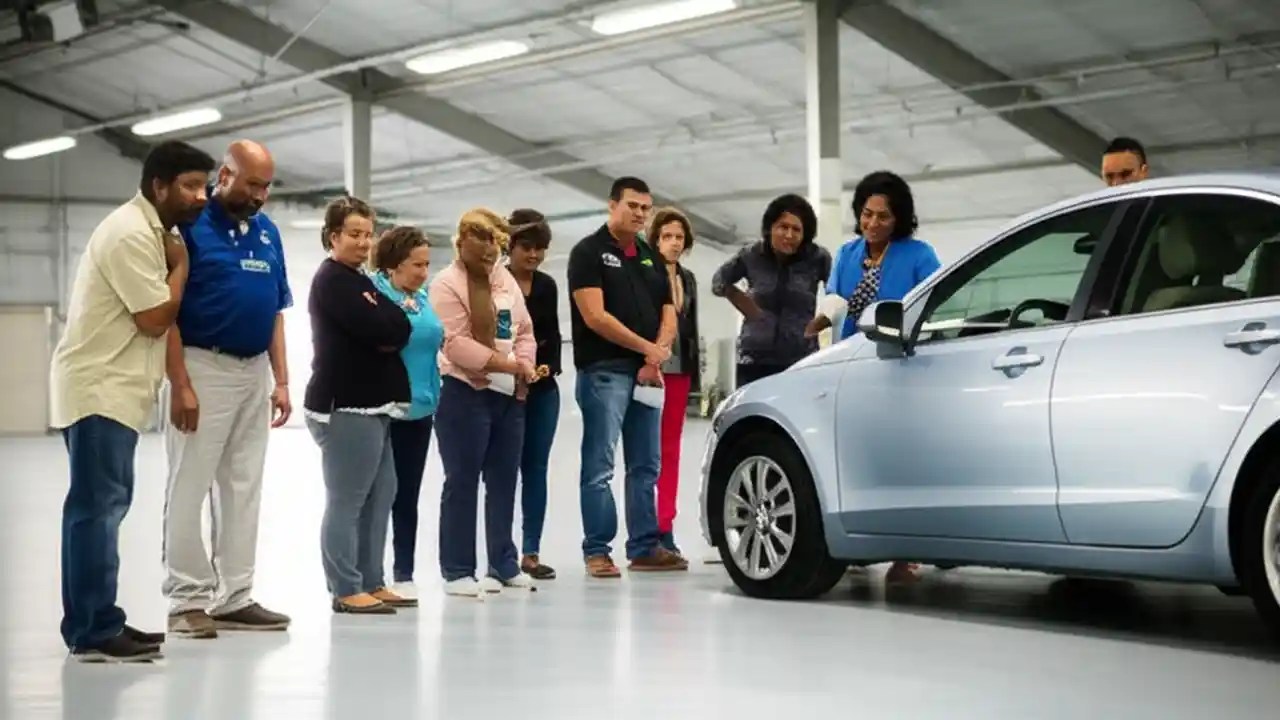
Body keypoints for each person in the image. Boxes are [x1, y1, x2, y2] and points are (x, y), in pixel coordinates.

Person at [51, 140, 215, 662]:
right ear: (157, 186)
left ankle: (98, 621)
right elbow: (154, 318)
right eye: (190, 186)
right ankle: (93, 630)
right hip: (100, 387)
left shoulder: (153, 232)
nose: (201, 197)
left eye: (204, 187)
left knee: (103, 506)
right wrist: (182, 266)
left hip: (114, 388)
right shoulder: (129, 235)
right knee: (97, 508)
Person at [162, 140, 292, 639]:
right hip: (202, 364)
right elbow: (168, 311)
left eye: (266, 186)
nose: (260, 195)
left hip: (252, 369)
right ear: (225, 175)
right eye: (251, 184)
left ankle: (235, 596)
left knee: (243, 486)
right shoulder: (190, 226)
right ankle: (186, 599)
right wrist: (180, 383)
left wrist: (281, 379)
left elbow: (276, 309)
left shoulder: (267, 232)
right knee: (189, 484)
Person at [808, 170, 941, 583]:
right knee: (854, 454)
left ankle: (907, 551)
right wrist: (821, 320)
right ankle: (856, 543)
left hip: (903, 364)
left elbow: (937, 300)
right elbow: (834, 297)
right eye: (867, 214)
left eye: (883, 217)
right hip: (854, 363)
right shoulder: (848, 253)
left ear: (899, 219)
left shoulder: (919, 254)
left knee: (904, 456)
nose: (873, 223)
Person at [567, 176, 688, 578]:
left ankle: (644, 547)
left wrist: (657, 353)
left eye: (645, 208)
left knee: (646, 465)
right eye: (632, 205)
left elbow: (669, 309)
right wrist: (646, 348)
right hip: (605, 373)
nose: (639, 213)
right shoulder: (588, 252)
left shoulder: (650, 257)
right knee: (600, 465)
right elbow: (595, 317)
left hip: (648, 374)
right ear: (612, 205)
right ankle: (597, 550)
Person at [303, 196, 415, 614]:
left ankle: (372, 578)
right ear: (334, 236)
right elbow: (375, 327)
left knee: (382, 493)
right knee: (348, 499)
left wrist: (388, 329)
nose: (363, 242)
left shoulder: (361, 279)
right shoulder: (332, 279)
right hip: (346, 406)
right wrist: (386, 329)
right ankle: (345, 586)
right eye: (354, 234)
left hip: (376, 405)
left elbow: (398, 325)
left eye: (368, 235)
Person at [430, 208, 539, 598]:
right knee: (462, 481)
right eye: (482, 249)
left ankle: (503, 563)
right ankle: (458, 570)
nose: (490, 256)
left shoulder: (503, 277)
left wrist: (523, 364)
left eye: (495, 247)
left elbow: (523, 328)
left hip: (508, 394)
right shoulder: (446, 284)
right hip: (463, 392)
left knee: (504, 480)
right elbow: (455, 343)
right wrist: (508, 364)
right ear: (461, 245)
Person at [370, 226, 444, 598]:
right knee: (380, 493)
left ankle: (404, 571)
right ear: (395, 264)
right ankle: (370, 574)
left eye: (427, 264)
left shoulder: (423, 297)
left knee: (408, 495)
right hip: (387, 408)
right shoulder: (376, 293)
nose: (423, 272)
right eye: (417, 264)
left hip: (422, 407)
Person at [710, 194, 832, 388]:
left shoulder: (818, 258)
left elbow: (839, 295)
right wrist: (747, 307)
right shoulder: (751, 255)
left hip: (801, 359)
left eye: (796, 230)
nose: (789, 235)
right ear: (770, 228)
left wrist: (818, 325)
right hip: (754, 358)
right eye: (783, 227)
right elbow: (718, 281)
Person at [506, 209, 561, 580]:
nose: (534, 255)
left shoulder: (546, 286)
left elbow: (552, 336)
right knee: (503, 470)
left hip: (543, 389)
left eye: (540, 248)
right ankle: (501, 551)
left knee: (536, 469)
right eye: (527, 247)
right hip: (505, 389)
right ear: (509, 247)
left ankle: (531, 551)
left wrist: (547, 368)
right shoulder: (497, 283)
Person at [650, 207, 700, 556]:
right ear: (655, 239)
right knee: (645, 453)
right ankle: (644, 528)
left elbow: (691, 327)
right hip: (650, 370)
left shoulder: (688, 278)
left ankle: (665, 525)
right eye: (666, 236)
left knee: (671, 451)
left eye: (679, 237)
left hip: (680, 371)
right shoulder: (643, 274)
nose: (673, 242)